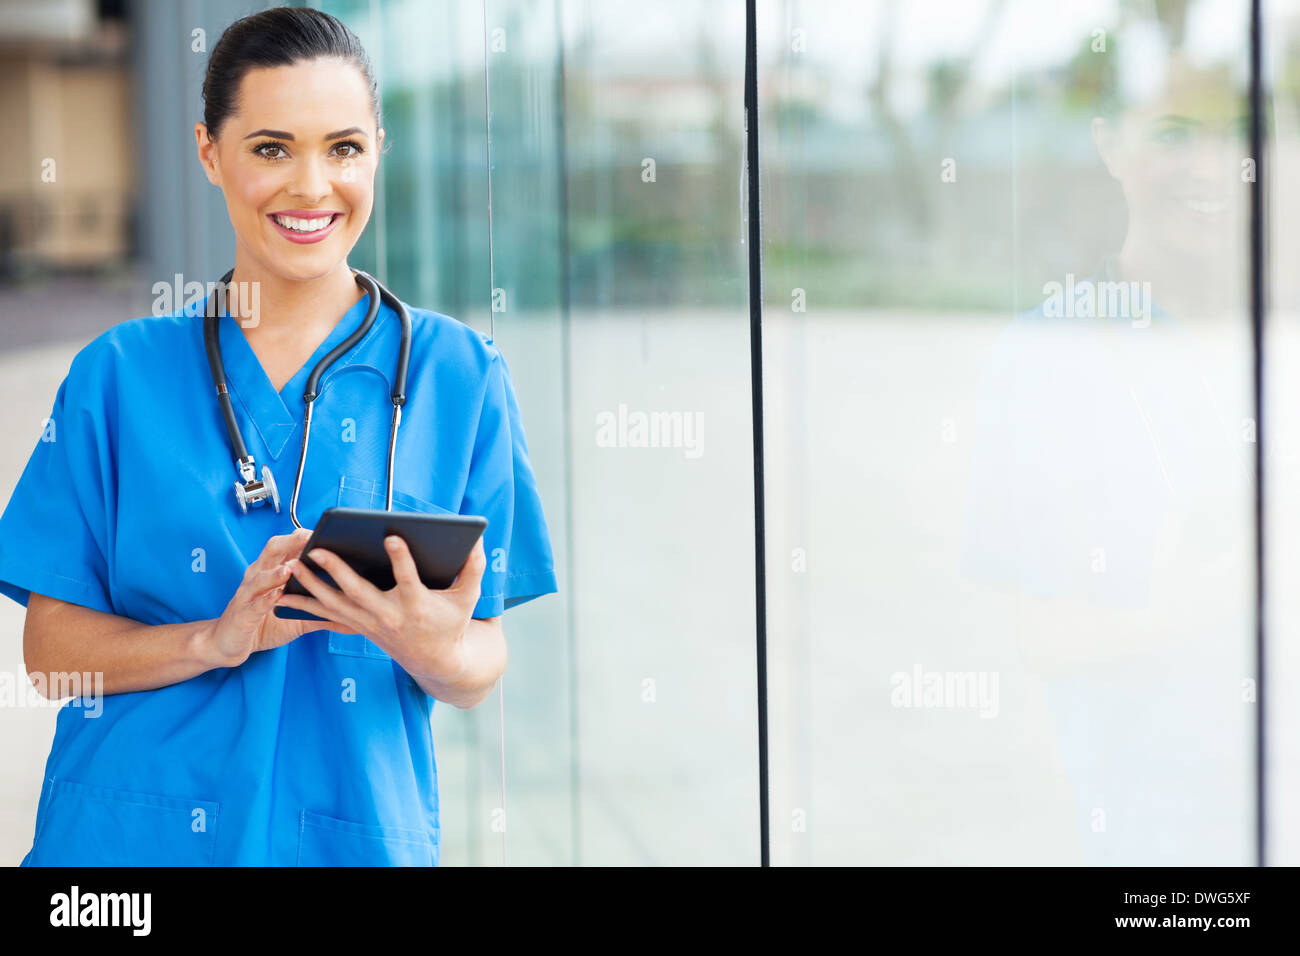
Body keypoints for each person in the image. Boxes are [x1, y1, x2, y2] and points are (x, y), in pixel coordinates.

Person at [0, 7, 557, 866]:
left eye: (344, 148)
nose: (311, 186)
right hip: (131, 841)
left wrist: (433, 646)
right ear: (208, 152)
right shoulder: (118, 376)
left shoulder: (459, 376)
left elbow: (481, 660)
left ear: (378, 151)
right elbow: (49, 654)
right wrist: (210, 641)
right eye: (270, 149)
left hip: (346, 834)